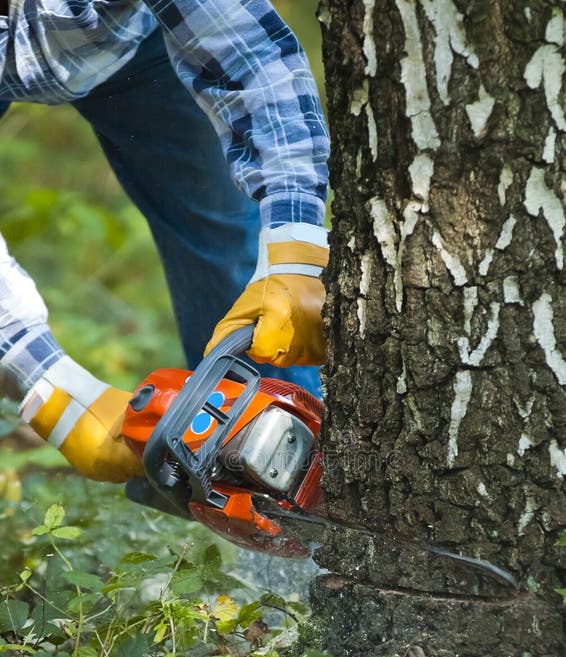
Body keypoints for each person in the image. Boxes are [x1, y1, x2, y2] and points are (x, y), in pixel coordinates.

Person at [0, 0, 329, 482]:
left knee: (224, 235)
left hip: (127, 43)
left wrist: (296, 246)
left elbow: (255, 59)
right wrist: (44, 382)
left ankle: (283, 479)